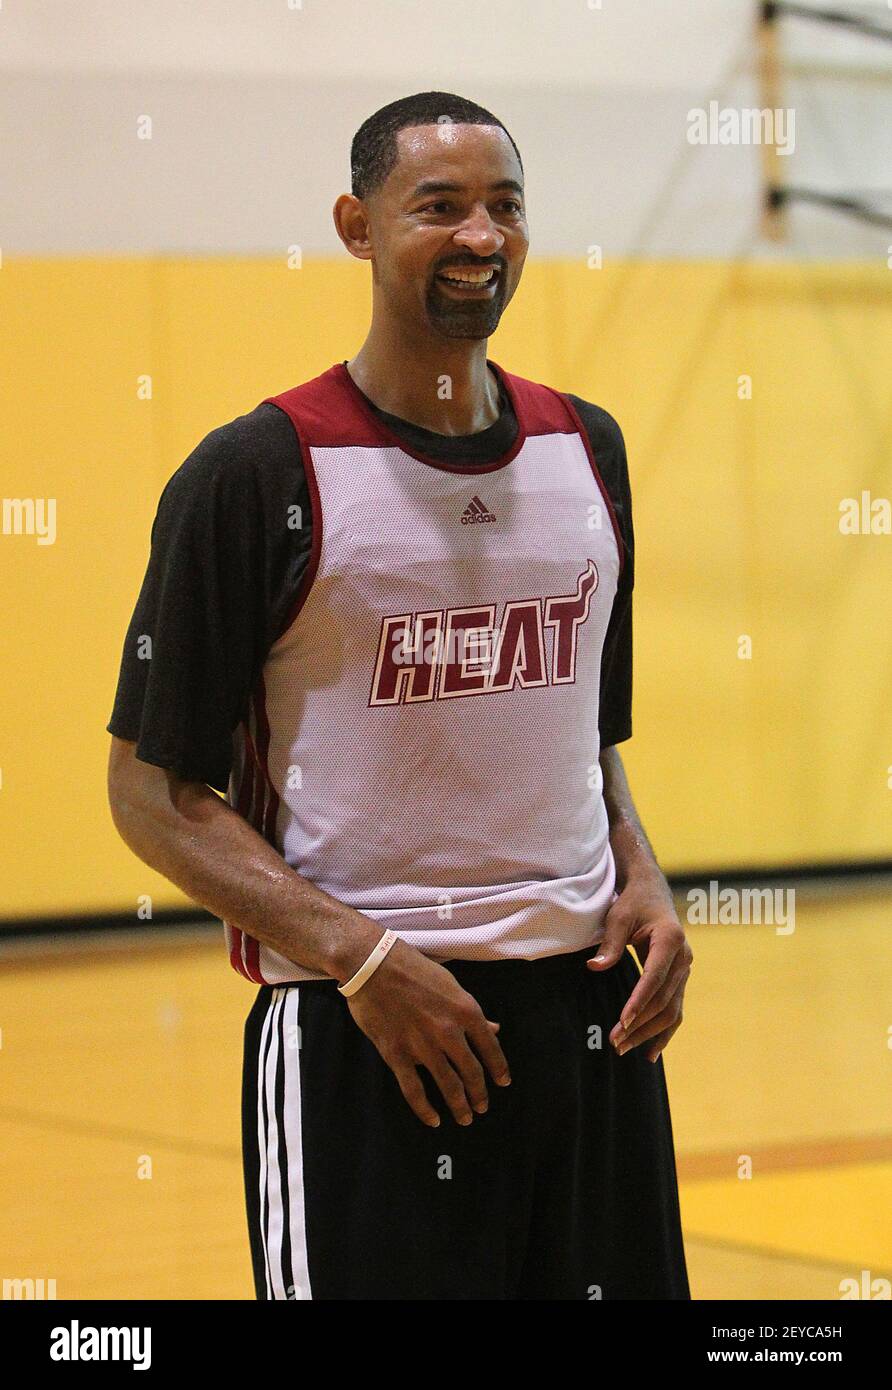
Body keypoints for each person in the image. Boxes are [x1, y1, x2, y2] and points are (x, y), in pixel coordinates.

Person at [107, 91, 692, 1301]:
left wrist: (639, 871)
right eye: (440, 207)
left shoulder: (587, 449)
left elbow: (580, 734)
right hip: (366, 1035)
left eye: (505, 207)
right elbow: (151, 792)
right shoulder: (254, 471)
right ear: (356, 226)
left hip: (592, 1029)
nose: (481, 236)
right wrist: (363, 960)